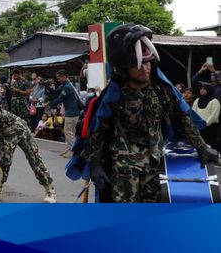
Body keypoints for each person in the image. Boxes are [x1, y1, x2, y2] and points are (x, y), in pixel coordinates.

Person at [70, 24, 219, 203]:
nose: (145, 68)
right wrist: (94, 164)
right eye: (138, 65)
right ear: (124, 68)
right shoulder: (114, 96)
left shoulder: (162, 90)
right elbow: (99, 130)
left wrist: (201, 146)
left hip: (156, 163)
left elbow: (181, 119)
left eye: (148, 63)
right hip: (125, 166)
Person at [50, 70, 82, 158]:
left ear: (64, 76)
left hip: (72, 112)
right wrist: (49, 88)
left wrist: (49, 104)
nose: (58, 79)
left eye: (59, 77)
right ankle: (69, 149)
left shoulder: (67, 87)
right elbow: (56, 92)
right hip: (72, 111)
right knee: (71, 131)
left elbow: (60, 98)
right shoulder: (65, 85)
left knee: (68, 131)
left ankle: (72, 150)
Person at [193, 84, 220, 151]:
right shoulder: (197, 100)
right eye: (201, 89)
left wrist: (205, 124)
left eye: (204, 89)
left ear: (209, 90)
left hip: (210, 127)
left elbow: (214, 116)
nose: (202, 90)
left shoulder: (215, 101)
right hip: (198, 127)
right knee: (200, 146)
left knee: (211, 146)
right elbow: (193, 112)